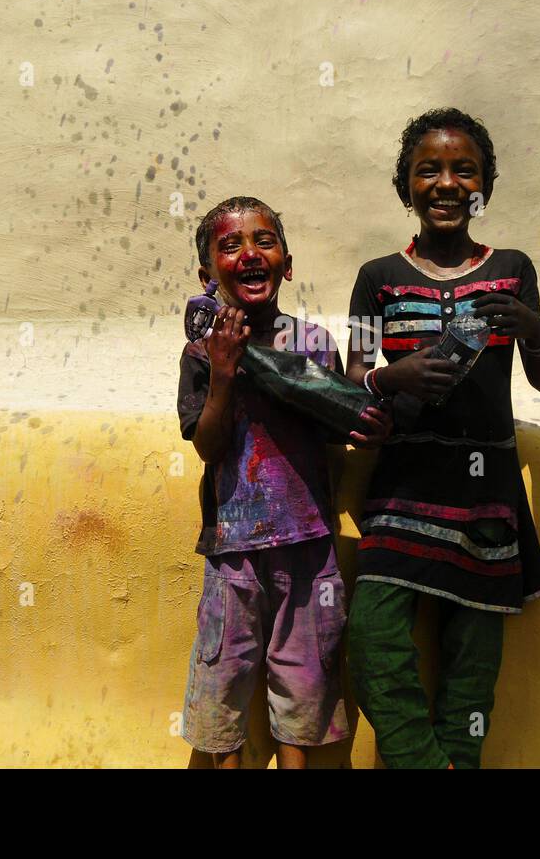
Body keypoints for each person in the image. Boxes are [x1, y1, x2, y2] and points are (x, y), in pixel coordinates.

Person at [344, 109, 540, 768]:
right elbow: (352, 383)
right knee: (371, 634)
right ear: (405, 187)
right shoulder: (377, 278)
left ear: (483, 187)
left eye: (463, 169)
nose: (445, 182)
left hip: (486, 500)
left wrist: (530, 328)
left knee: (470, 678)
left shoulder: (514, 268)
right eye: (427, 170)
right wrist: (391, 377)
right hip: (400, 493)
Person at [177, 195, 390, 768]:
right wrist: (223, 373)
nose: (249, 254)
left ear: (287, 264)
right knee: (221, 687)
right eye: (230, 245)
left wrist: (362, 422)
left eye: (263, 242)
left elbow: (333, 430)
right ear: (207, 275)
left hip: (309, 546)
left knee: (304, 688)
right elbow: (208, 445)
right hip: (233, 551)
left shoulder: (312, 345)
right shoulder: (201, 350)